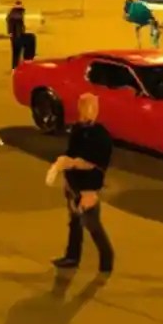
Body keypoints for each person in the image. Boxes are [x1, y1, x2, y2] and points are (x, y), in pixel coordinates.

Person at [51, 93, 115, 274]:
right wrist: (67, 177)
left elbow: (94, 163)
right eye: (83, 106)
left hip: (88, 188)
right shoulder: (78, 130)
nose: (85, 111)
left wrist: (72, 164)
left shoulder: (101, 136)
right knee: (75, 223)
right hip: (74, 185)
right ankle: (72, 257)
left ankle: (106, 261)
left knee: (93, 225)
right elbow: (70, 152)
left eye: (90, 107)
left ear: (96, 109)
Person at [6, 0, 26, 70]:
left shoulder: (12, 14)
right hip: (17, 35)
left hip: (16, 35)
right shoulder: (16, 15)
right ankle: (16, 66)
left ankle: (15, 66)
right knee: (17, 51)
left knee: (16, 52)